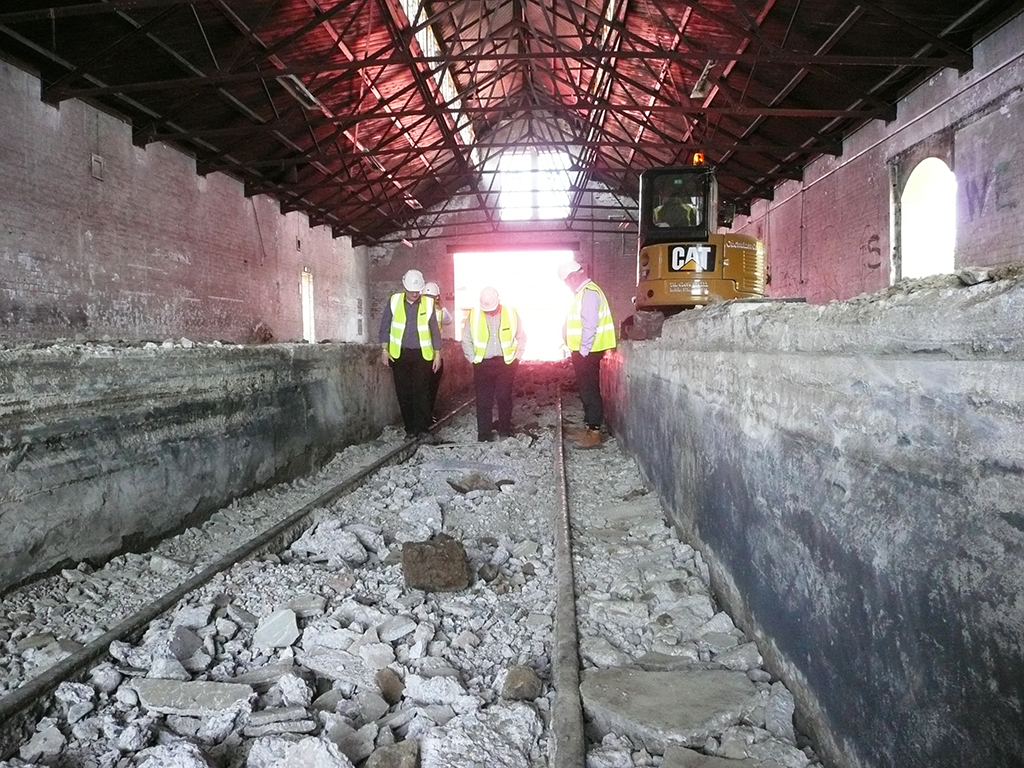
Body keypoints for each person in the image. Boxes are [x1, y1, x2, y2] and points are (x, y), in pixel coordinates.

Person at [378, 269, 443, 440]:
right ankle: (410, 429)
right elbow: (385, 327)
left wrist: (437, 354)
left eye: (417, 291)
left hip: (422, 356)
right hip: (399, 355)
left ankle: (423, 430)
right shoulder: (394, 301)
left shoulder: (428, 304)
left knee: (421, 392)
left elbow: (434, 331)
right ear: (405, 287)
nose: (415, 294)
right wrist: (384, 350)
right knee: (404, 393)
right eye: (411, 290)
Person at [558, 260, 616, 447]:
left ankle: (594, 432)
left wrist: (583, 350)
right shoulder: (585, 292)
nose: (567, 286)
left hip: (588, 352)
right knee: (586, 390)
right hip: (586, 351)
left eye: (566, 282)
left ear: (573, 277)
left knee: (589, 391)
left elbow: (590, 325)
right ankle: (589, 426)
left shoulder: (589, 293)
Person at [461, 286, 526, 442]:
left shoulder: (511, 313)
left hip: (506, 364)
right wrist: (473, 359)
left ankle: (504, 431)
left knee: (504, 397)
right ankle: (484, 435)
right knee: (484, 400)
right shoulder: (475, 314)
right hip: (482, 364)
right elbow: (466, 339)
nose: (489, 311)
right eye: (486, 309)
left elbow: (522, 337)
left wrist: (517, 357)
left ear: (498, 301)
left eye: (491, 308)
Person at [422, 281, 453, 421]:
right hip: (428, 355)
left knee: (427, 388)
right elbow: (449, 319)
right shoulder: (437, 312)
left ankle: (426, 416)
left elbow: (449, 320)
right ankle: (425, 416)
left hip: (431, 355)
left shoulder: (436, 312)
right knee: (428, 389)